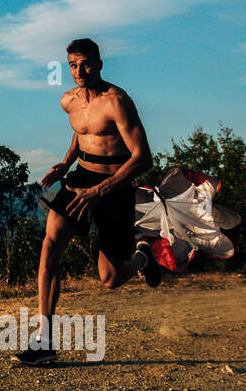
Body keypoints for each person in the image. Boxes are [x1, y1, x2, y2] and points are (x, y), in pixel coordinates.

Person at [13, 38, 161, 366]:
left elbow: (143, 157)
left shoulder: (117, 101)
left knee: (110, 278)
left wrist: (102, 189)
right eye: (73, 65)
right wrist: (66, 163)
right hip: (80, 180)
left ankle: (142, 259)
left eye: (86, 64)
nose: (80, 71)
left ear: (100, 64)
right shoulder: (69, 101)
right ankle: (45, 340)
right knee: (50, 246)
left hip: (116, 186)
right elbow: (82, 134)